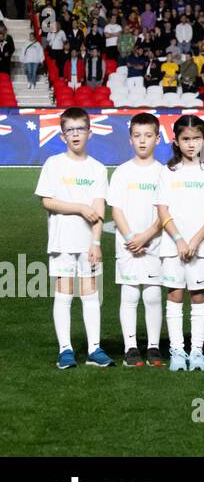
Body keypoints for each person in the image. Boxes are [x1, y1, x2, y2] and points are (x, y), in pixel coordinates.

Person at [37, 107, 112, 370]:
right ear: (62, 135)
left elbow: (99, 206)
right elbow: (47, 201)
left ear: (89, 133)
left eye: (80, 128)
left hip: (87, 243)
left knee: (91, 295)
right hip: (61, 240)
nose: (75, 134)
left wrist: (96, 242)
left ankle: (94, 349)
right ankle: (65, 349)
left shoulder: (98, 169)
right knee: (64, 294)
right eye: (70, 129)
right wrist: (80, 207)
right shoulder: (53, 164)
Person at [156, 115, 204, 372]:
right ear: (176, 141)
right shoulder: (167, 172)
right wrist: (179, 240)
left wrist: (197, 240)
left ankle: (196, 351)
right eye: (186, 139)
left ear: (203, 140)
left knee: (198, 295)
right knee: (175, 294)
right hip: (172, 246)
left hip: (203, 246)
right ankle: (177, 350)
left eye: (196, 139)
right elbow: (163, 210)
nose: (191, 144)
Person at [108, 112, 165, 367]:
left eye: (148, 135)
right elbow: (116, 209)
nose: (142, 141)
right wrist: (132, 237)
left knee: (152, 294)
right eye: (137, 135)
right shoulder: (122, 173)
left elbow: (165, 211)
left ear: (158, 138)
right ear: (130, 139)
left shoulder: (164, 173)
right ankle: (130, 347)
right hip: (127, 244)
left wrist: (147, 235)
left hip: (156, 242)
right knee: (130, 294)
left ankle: (153, 346)